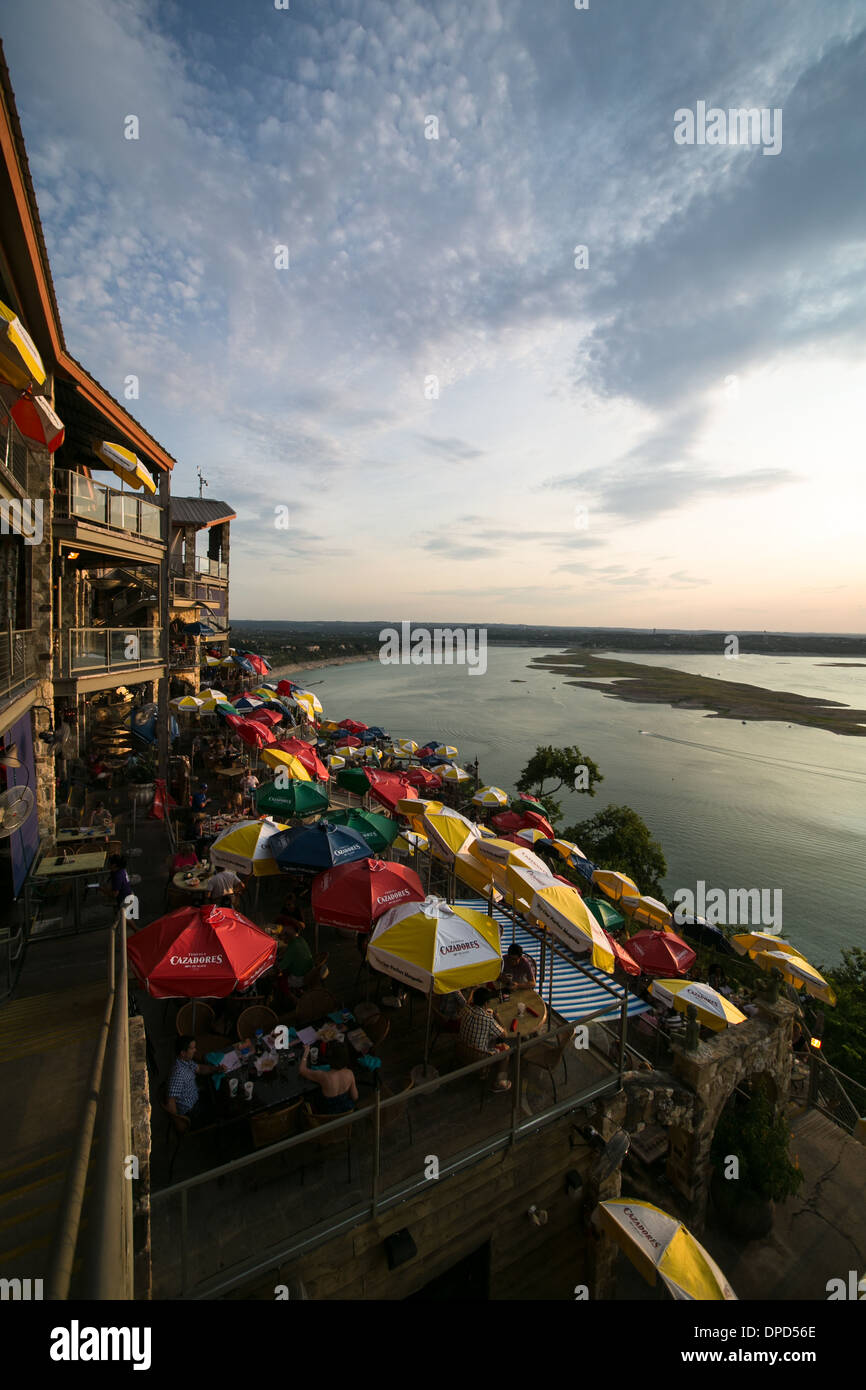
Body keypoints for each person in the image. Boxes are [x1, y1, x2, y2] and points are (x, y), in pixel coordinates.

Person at [458, 987, 512, 1091]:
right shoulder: (487, 1019)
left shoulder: (466, 1009)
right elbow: (504, 1034)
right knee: (506, 1049)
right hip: (478, 1057)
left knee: (490, 1036)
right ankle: (500, 1083)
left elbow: (469, 1008)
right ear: (487, 1003)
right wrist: (497, 1016)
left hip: (462, 1049)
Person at [165, 1035, 224, 1126]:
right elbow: (170, 1101)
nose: (195, 1050)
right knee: (220, 1109)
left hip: (195, 1096)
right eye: (192, 1048)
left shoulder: (186, 1061)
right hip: (191, 1111)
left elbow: (199, 1069)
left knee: (216, 1096)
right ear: (183, 1053)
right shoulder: (178, 1073)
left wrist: (216, 1069)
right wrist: (180, 1124)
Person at [299, 1040, 358, 1116]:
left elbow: (302, 1070)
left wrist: (306, 1053)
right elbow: (355, 1097)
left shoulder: (323, 1076)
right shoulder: (350, 1073)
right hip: (346, 1114)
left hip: (328, 1115)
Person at [277, 920, 313, 986]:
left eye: (282, 937)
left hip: (300, 978)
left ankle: (289, 995)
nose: (281, 940)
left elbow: (281, 967)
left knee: (280, 981)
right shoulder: (300, 939)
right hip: (309, 971)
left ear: (287, 936)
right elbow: (289, 950)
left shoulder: (292, 948)